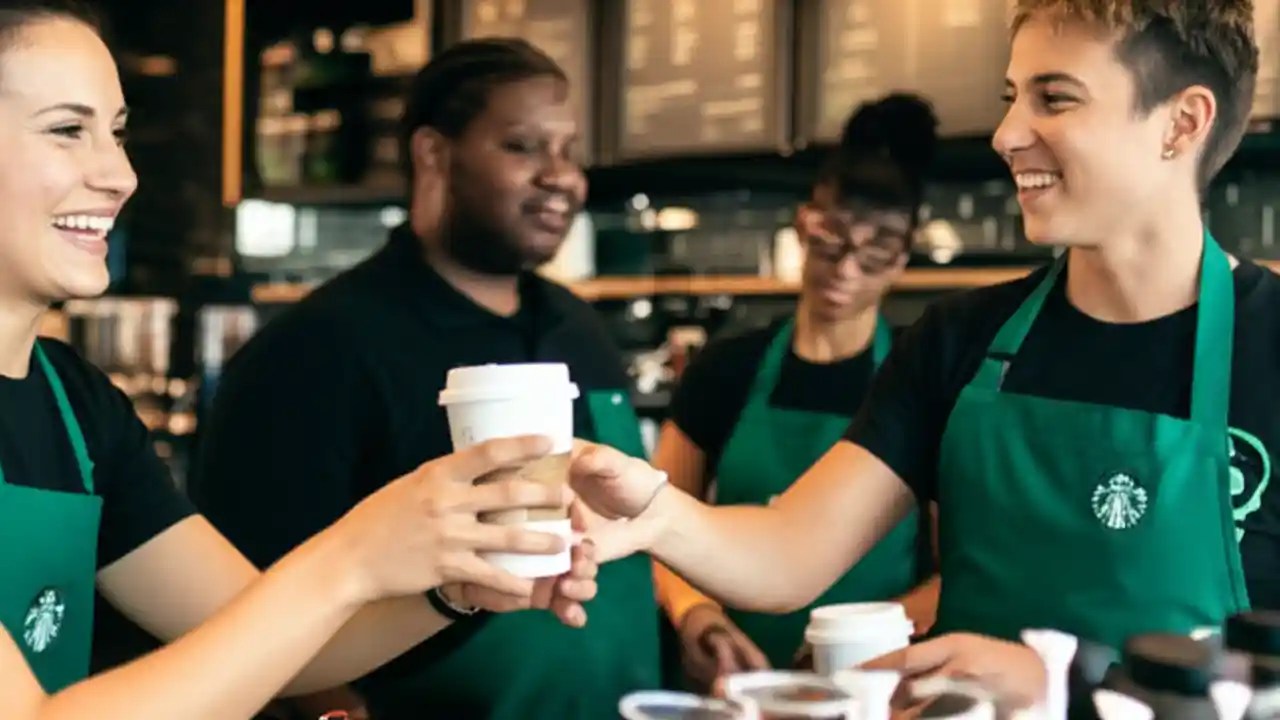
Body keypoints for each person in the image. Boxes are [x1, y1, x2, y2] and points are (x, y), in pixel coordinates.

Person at [569, 0, 1272, 706]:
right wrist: (653, 514)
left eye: (1054, 98)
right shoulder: (959, 339)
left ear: (1181, 123)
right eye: (1012, 98)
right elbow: (790, 551)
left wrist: (1064, 686)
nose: (1006, 134)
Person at [0, 2, 599, 718]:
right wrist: (351, 556)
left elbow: (280, 647)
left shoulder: (77, 405)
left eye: (118, 134)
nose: (120, 175)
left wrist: (452, 586)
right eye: (69, 130)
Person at [188, 37, 660, 720]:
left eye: (569, 150)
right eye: (524, 147)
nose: (562, 176)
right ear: (433, 154)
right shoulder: (317, 348)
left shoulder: (580, 330)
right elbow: (244, 596)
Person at [652, 94, 942, 688]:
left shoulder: (921, 381)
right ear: (804, 226)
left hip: (870, 685)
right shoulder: (727, 368)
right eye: (831, 238)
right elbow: (655, 521)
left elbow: (954, 572)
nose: (847, 268)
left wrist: (859, 641)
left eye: (876, 248)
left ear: (902, 256)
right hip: (736, 687)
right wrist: (697, 616)